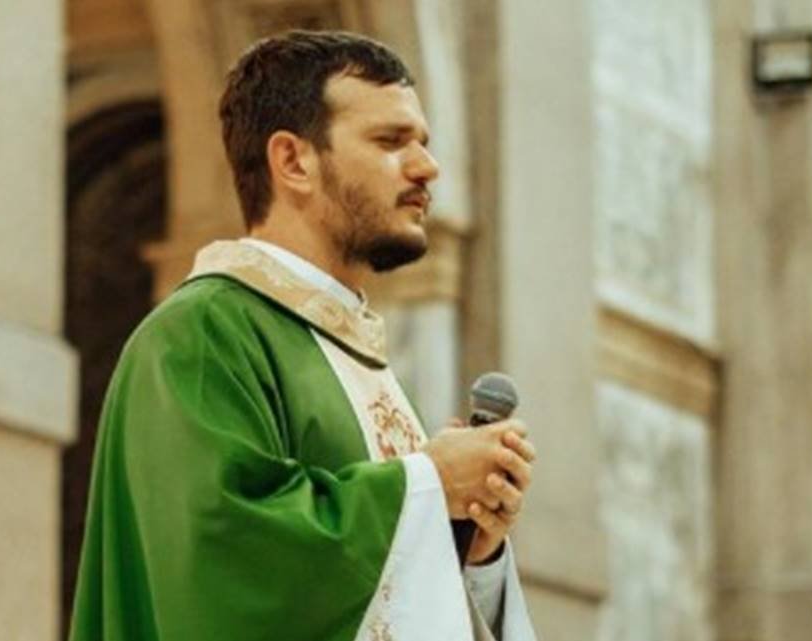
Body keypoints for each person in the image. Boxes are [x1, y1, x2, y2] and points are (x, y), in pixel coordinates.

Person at [69, 30, 538, 641]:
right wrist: (427, 486)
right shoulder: (204, 335)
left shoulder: (355, 355)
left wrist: (467, 549)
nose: (427, 166)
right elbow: (223, 561)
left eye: (422, 141)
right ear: (292, 161)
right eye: (391, 142)